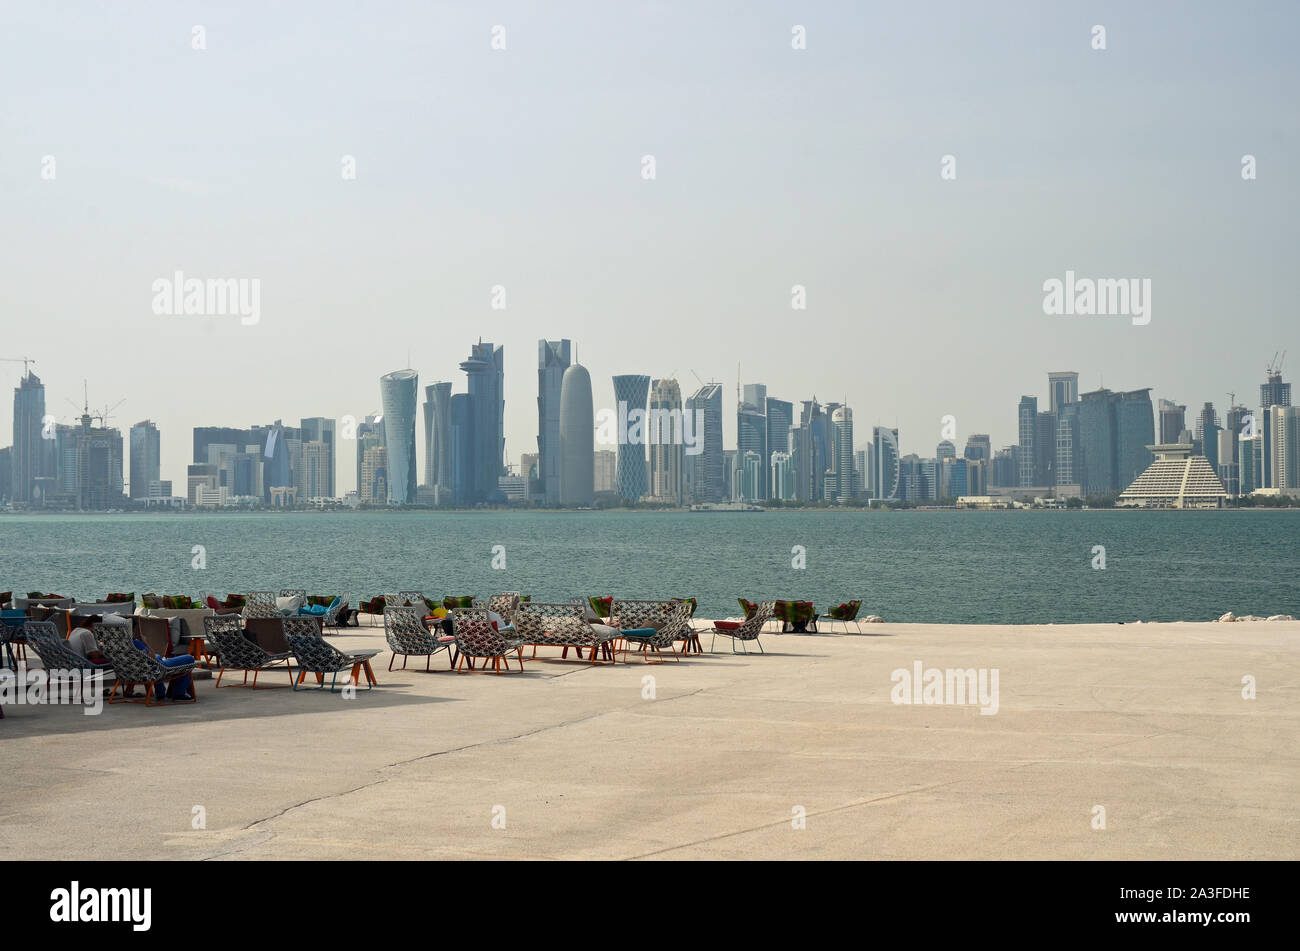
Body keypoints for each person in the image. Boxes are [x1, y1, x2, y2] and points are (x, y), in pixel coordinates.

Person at [132, 636, 194, 701]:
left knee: (157, 659)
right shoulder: (136, 643)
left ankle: (160, 693)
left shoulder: (126, 647)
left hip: (151, 668)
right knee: (189, 658)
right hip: (160, 666)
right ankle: (179, 693)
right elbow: (153, 658)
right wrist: (145, 642)